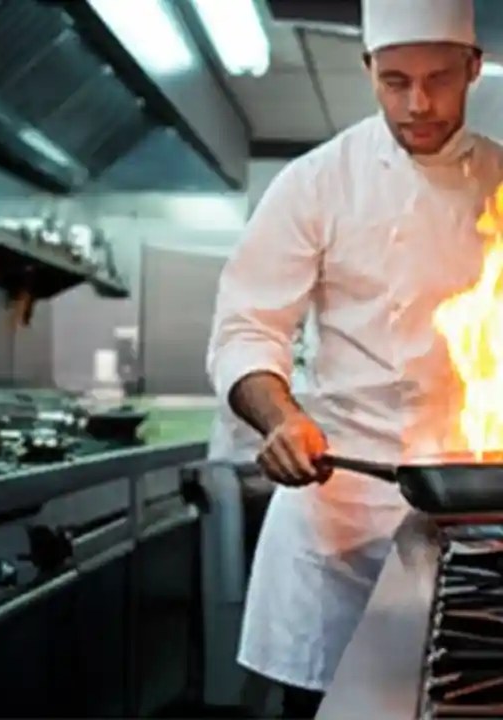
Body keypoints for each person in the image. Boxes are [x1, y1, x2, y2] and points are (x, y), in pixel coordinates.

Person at [206, 0, 503, 716]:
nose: (419, 102)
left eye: (438, 77)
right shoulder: (316, 182)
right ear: (369, 68)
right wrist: (279, 416)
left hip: (480, 518)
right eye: (396, 80)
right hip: (337, 504)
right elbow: (246, 324)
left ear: (474, 66)